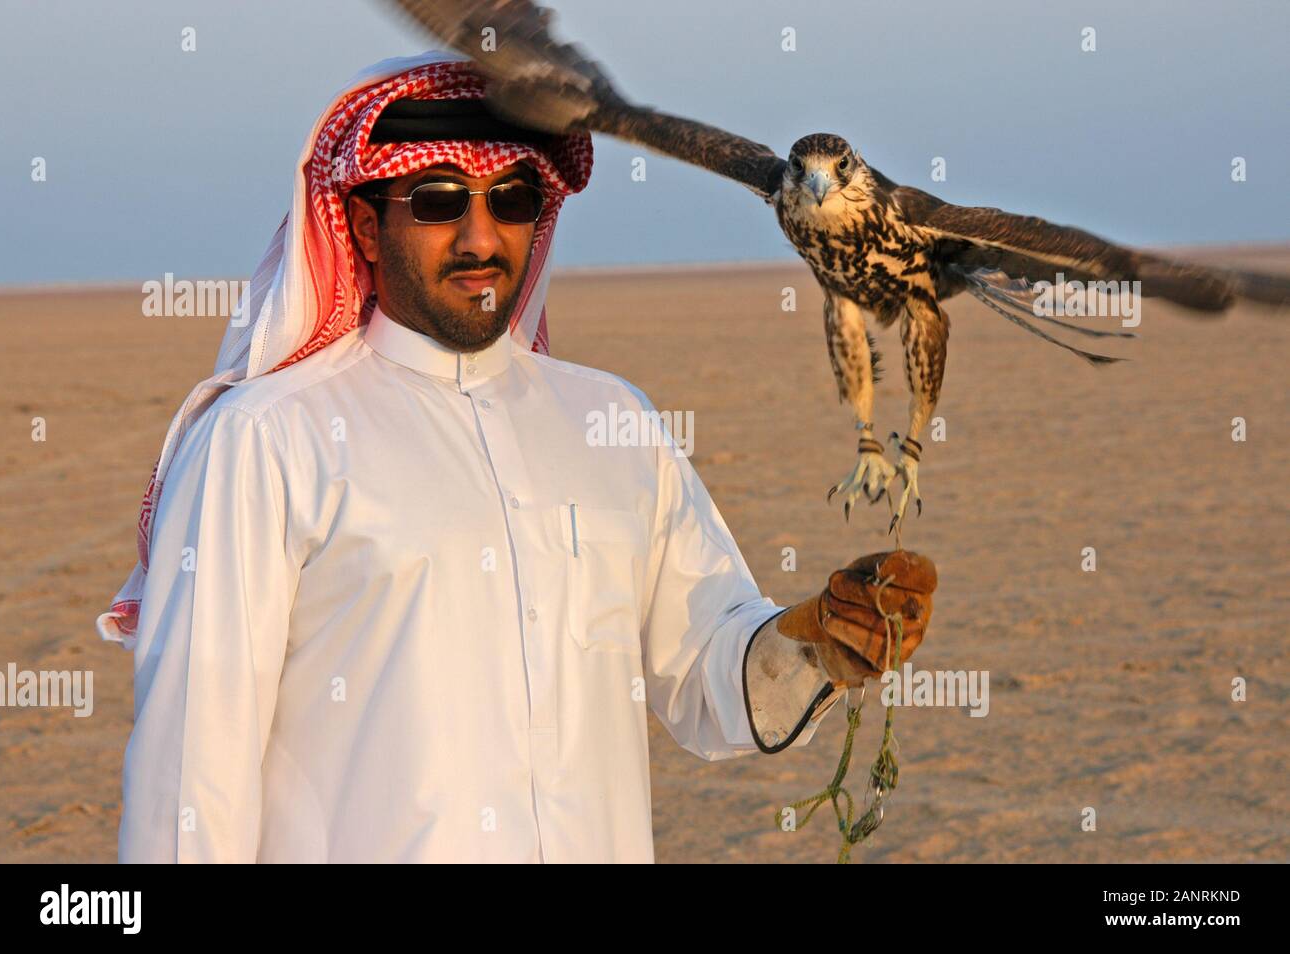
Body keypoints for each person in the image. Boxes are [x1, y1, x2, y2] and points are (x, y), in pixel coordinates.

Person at [97, 52, 937, 863]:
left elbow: (707, 672)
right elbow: (191, 777)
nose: (479, 236)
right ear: (361, 220)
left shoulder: (611, 419)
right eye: (436, 201)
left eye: (512, 198)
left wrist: (819, 641)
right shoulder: (267, 439)